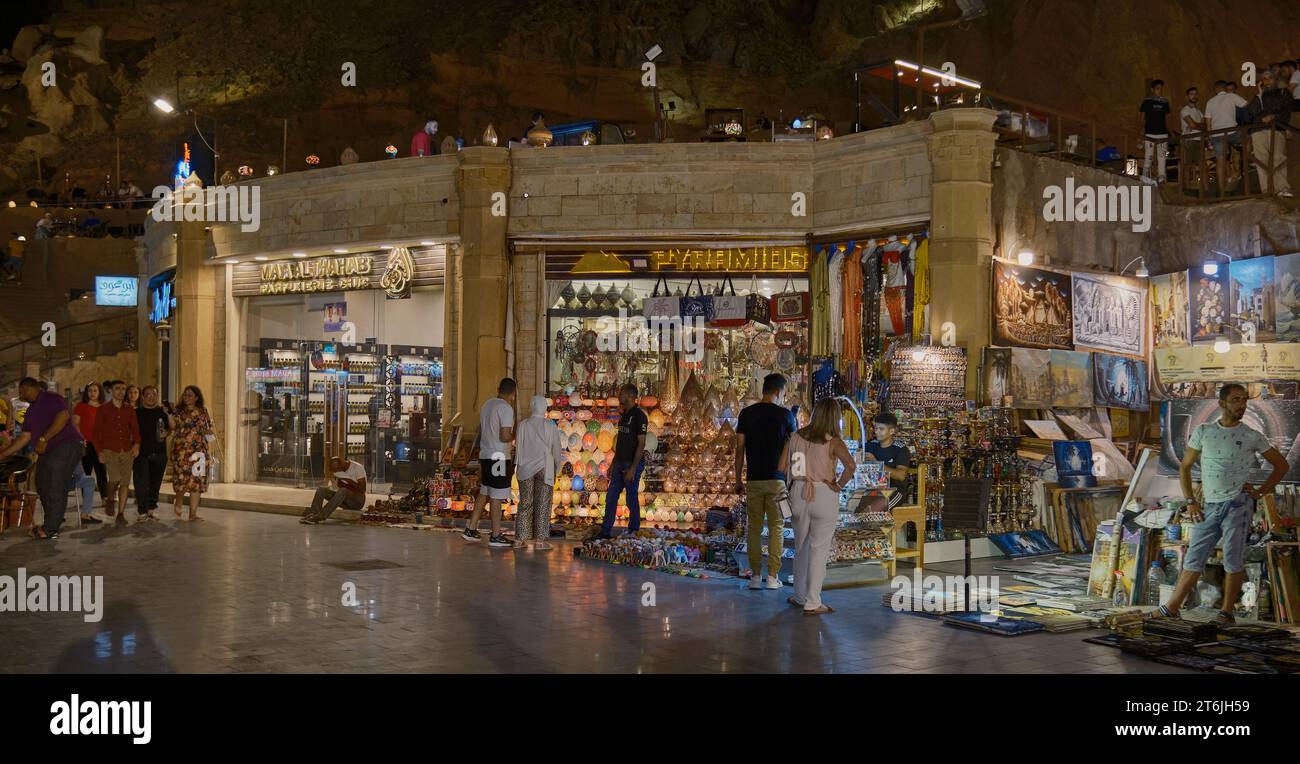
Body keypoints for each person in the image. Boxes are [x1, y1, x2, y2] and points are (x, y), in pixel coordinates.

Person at [1154, 384, 1290, 625]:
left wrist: (1260, 492)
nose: (1242, 405)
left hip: (1238, 504)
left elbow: (1281, 465)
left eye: (1244, 400)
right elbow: (1185, 467)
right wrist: (1190, 502)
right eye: (1236, 399)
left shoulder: (1251, 435)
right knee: (1194, 556)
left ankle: (1226, 613)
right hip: (1209, 505)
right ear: (1222, 403)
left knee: (1232, 558)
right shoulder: (1204, 431)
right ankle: (1172, 607)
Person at [778, 398, 856, 615]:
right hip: (824, 493)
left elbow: (781, 466)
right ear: (835, 418)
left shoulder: (795, 437)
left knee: (801, 547)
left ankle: (799, 595)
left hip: (798, 492)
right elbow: (851, 466)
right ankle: (813, 601)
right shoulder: (834, 441)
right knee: (819, 550)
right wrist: (839, 484)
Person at [0, 378, 84, 540]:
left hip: (66, 445)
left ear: (30, 387)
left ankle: (50, 528)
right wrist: (4, 454)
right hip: (49, 450)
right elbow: (25, 436)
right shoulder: (31, 410)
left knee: (55, 485)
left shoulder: (49, 397)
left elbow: (63, 415)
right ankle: (51, 523)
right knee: (42, 483)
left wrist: (44, 439)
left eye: (21, 390)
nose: (20, 394)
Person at [735, 373, 797, 590]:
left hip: (753, 480)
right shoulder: (787, 416)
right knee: (777, 527)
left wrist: (737, 478)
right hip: (778, 483)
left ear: (764, 389)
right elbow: (793, 451)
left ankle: (754, 576)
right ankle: (772, 576)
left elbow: (740, 448)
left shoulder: (746, 414)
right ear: (779, 392)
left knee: (753, 528)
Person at [463, 378, 516, 547]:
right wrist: (517, 436)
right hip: (499, 456)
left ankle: (471, 528)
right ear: (513, 394)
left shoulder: (487, 404)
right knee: (497, 495)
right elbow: (505, 436)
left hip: (485, 454)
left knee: (485, 491)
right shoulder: (506, 408)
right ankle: (496, 535)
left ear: (499, 388)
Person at [512, 395, 563, 549]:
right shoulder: (550, 425)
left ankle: (519, 539)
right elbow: (556, 448)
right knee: (543, 503)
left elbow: (518, 449)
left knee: (525, 503)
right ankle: (540, 541)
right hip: (544, 467)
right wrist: (557, 467)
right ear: (544, 408)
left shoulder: (523, 425)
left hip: (525, 468)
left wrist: (517, 465)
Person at [599, 382, 648, 540]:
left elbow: (641, 443)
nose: (620, 396)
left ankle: (633, 530)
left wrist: (633, 468)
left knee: (631, 497)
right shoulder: (624, 415)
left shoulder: (639, 416)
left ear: (631, 396)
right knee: (611, 496)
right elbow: (620, 441)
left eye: (622, 393)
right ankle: (605, 530)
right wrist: (613, 463)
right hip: (619, 462)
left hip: (632, 464)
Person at [92, 380, 140, 527]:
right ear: (111, 391)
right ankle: (110, 497)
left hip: (126, 450)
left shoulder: (129, 409)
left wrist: (137, 444)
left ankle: (120, 514)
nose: (120, 391)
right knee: (115, 478)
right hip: (109, 449)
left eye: (123, 389)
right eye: (117, 389)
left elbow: (135, 429)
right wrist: (99, 451)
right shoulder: (103, 409)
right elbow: (95, 433)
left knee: (125, 482)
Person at [1243, 68, 1294, 198]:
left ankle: (1282, 188)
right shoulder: (1258, 96)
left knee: (1278, 157)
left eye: (1269, 78)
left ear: (1275, 79)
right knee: (1261, 160)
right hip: (1258, 130)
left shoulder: (1283, 92)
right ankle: (1266, 191)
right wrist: (1259, 93)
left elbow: (1286, 110)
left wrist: (1273, 116)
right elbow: (1252, 112)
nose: (1267, 81)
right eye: (1264, 79)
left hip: (1276, 128)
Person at [170, 385, 213, 522]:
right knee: (182, 480)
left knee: (197, 482)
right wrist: (169, 414)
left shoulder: (202, 411)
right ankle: (179, 500)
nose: (187, 397)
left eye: (190, 395)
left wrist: (209, 435)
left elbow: (208, 428)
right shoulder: (177, 411)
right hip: (181, 451)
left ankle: (193, 514)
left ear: (196, 397)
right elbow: (172, 427)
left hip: (199, 451)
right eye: (185, 395)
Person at [132, 385, 170, 521]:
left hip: (159, 453)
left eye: (154, 394)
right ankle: (142, 510)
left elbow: (170, 427)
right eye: (147, 394)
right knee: (141, 483)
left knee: (155, 483)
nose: (151, 397)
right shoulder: (136, 413)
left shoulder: (162, 412)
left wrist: (167, 431)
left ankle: (151, 509)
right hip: (141, 453)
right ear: (142, 397)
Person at [1205, 80, 1247, 195]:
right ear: (1225, 88)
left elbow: (1208, 122)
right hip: (1232, 132)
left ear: (1216, 89)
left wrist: (1209, 137)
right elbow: (1245, 104)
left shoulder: (1210, 102)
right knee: (1247, 139)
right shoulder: (1231, 96)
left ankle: (1222, 192)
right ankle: (1245, 166)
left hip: (1217, 134)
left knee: (1220, 161)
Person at [72, 382, 107, 521]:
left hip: (100, 444)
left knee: (101, 470)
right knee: (86, 472)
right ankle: (86, 500)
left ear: (99, 392)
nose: (92, 393)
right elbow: (76, 424)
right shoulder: (81, 406)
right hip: (86, 442)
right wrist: (81, 439)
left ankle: (104, 497)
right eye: (90, 391)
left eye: (95, 391)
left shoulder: (104, 407)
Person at [301, 455, 367, 524]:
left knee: (343, 491)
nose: (336, 472)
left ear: (341, 466)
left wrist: (347, 479)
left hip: (358, 501)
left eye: (337, 470)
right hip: (345, 501)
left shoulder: (357, 468)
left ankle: (320, 516)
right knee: (321, 490)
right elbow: (340, 486)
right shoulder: (339, 471)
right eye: (334, 471)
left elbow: (362, 489)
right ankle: (313, 513)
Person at [863, 412, 913, 490]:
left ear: (891, 431)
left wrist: (876, 463)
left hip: (894, 489)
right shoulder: (870, 445)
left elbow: (901, 475)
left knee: (878, 502)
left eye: (881, 429)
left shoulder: (900, 449)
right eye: (876, 428)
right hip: (872, 487)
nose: (877, 432)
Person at [1139, 78, 1172, 183]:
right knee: (1148, 156)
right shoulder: (1147, 101)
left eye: (1161, 89)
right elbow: (1142, 117)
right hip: (1149, 133)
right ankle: (1145, 176)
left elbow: (1167, 118)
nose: (1160, 91)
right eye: (1157, 88)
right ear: (1152, 89)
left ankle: (1162, 177)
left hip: (1162, 133)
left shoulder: (1165, 102)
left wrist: (1169, 131)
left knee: (1162, 157)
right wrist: (1141, 131)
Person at [1180, 86, 1206, 181]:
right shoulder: (1184, 110)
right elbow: (1192, 125)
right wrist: (1200, 126)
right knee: (1187, 166)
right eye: (1191, 94)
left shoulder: (1199, 112)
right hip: (1188, 140)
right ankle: (1186, 188)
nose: (1194, 96)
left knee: (1203, 165)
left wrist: (1196, 125)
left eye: (1195, 94)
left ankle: (1205, 190)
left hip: (1199, 140)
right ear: (1187, 97)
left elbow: (1204, 125)